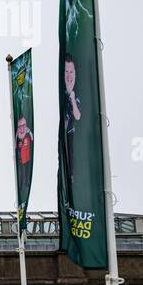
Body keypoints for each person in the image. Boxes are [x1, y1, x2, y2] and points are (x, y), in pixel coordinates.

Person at [62, 54, 82, 207]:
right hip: (65, 142)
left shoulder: (75, 97)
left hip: (74, 143)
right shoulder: (62, 95)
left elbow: (77, 115)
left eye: (71, 72)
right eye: (66, 72)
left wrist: (72, 96)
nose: (69, 76)